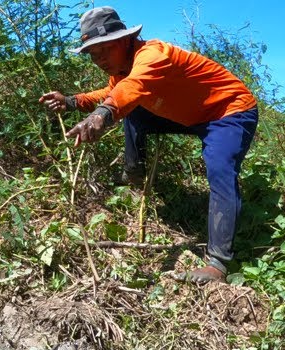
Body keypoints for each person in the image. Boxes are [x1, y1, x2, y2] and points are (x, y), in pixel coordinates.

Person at [39, 6, 258, 283]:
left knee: (220, 169)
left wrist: (100, 116)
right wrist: (72, 101)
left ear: (126, 40)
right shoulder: (122, 71)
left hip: (229, 111)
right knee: (133, 110)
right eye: (94, 55)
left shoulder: (152, 55)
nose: (100, 59)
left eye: (105, 49)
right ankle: (135, 175)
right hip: (192, 116)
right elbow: (113, 92)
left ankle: (217, 264)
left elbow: (131, 89)